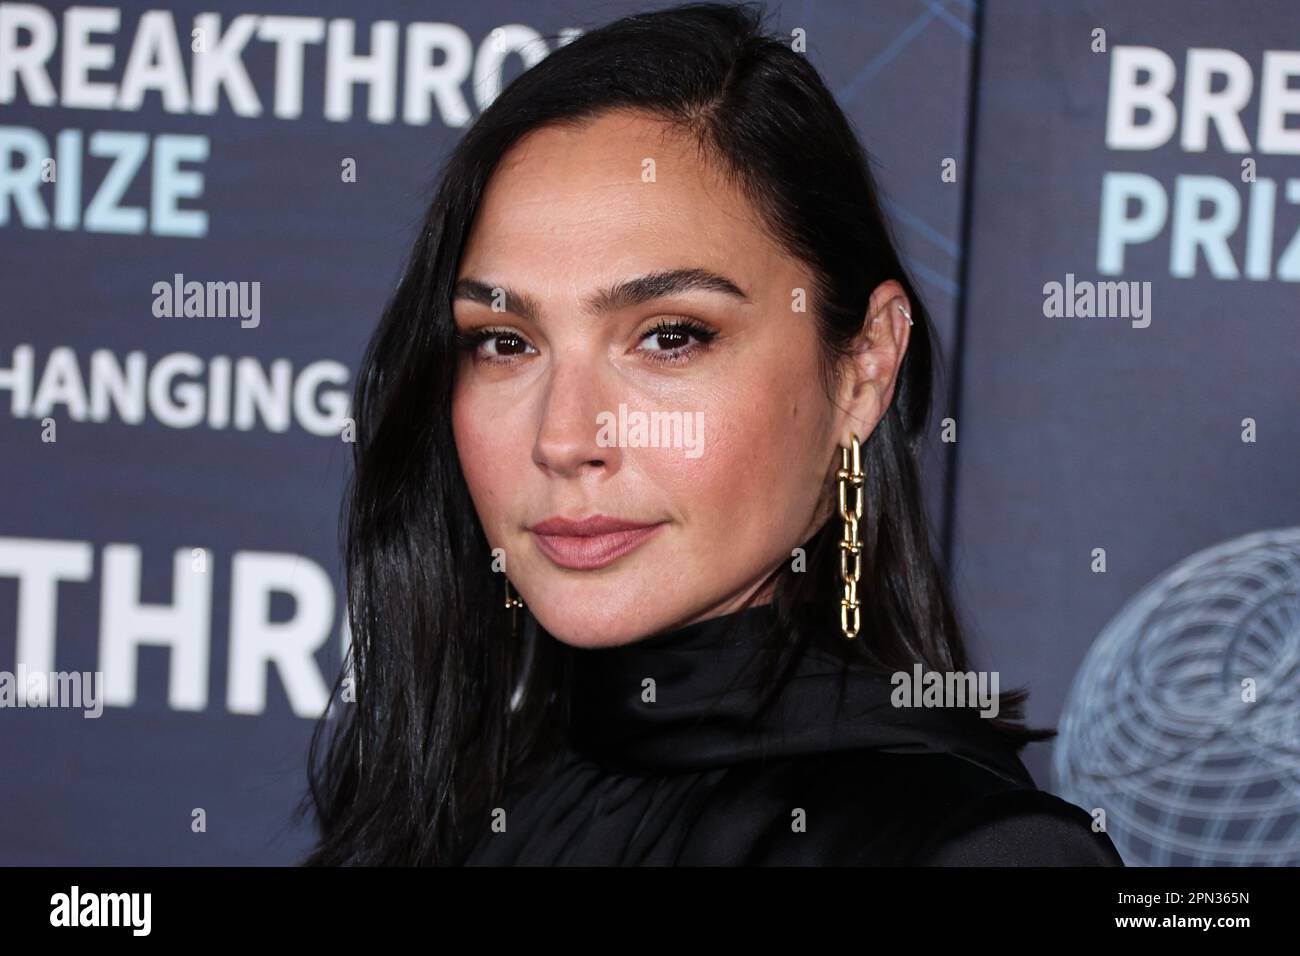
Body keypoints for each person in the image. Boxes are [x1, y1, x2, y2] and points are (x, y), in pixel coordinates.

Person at [297, 1, 1124, 866]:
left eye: (669, 337)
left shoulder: (982, 854)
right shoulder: (452, 806)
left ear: (863, 369)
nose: (566, 436)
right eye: (506, 342)